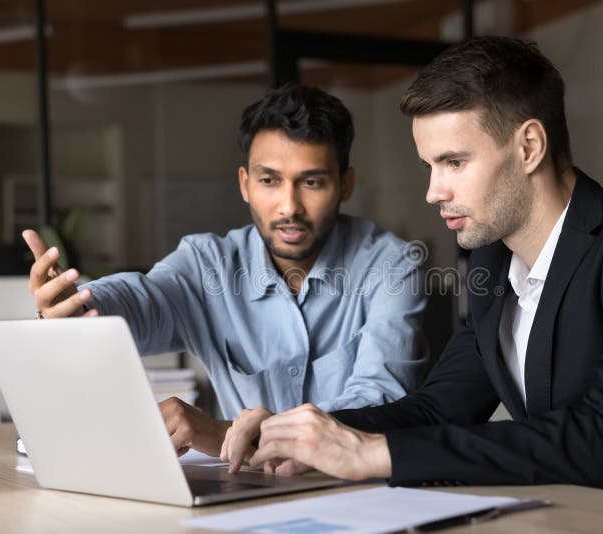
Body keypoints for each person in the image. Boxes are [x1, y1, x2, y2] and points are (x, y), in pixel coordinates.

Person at [221, 37, 603, 510]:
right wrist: (300, 432)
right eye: (430, 166)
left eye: (454, 163)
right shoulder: (494, 261)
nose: (434, 191)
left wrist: (371, 453)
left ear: (528, 147)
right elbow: (440, 407)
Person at [22, 84, 428, 458]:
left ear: (345, 184)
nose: (289, 206)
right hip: (244, 489)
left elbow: (379, 400)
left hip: (359, 494)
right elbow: (145, 299)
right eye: (269, 180)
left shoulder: (392, 266)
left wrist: (239, 433)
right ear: (245, 184)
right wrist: (76, 308)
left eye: (312, 182)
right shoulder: (207, 265)